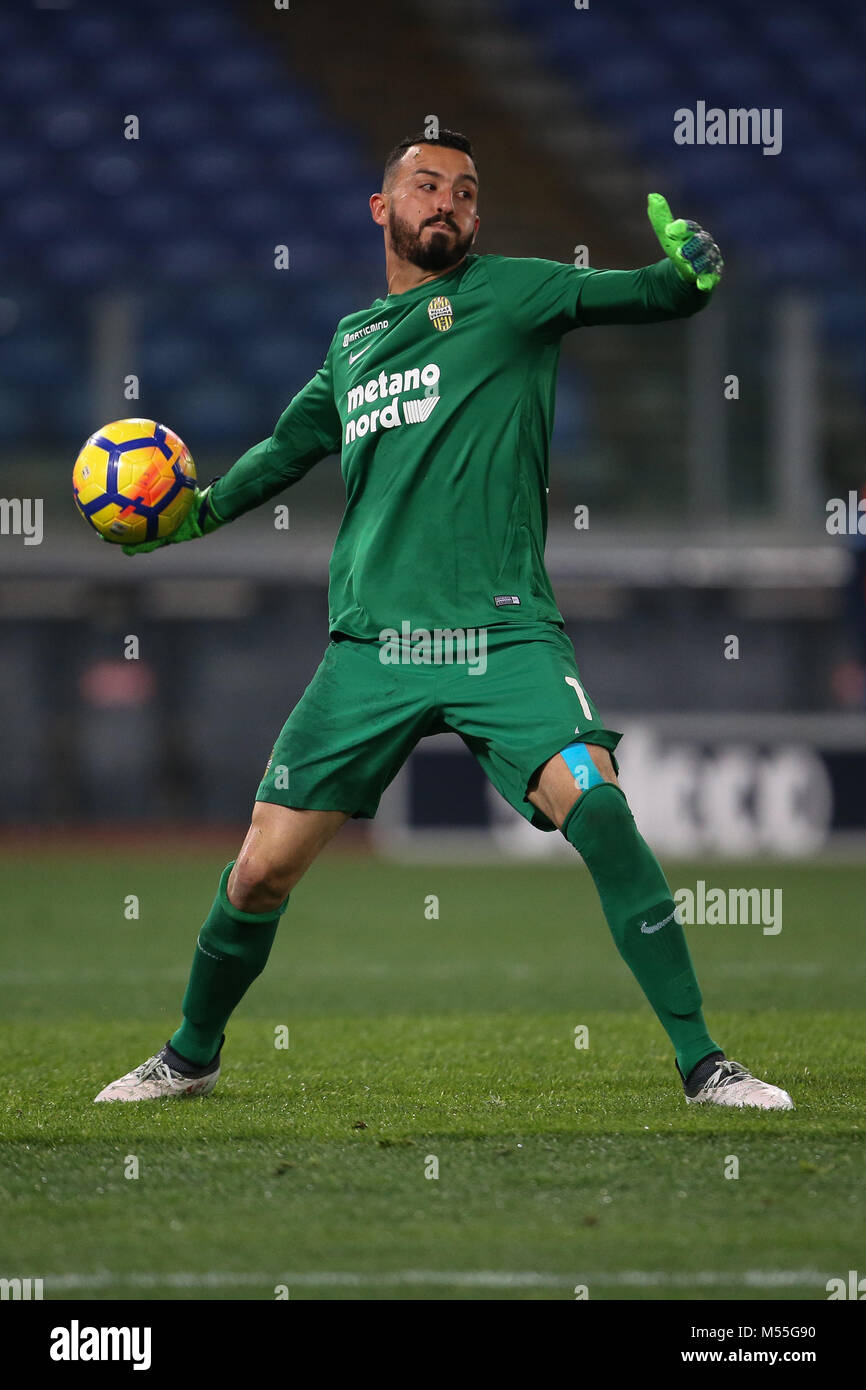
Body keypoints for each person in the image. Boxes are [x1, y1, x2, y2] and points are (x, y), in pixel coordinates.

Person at [95, 129, 792, 1110]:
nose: (449, 202)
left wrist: (692, 272)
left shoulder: (515, 293)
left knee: (596, 803)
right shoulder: (351, 344)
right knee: (257, 874)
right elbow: (282, 450)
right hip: (372, 648)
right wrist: (193, 515)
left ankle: (702, 1062)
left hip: (499, 635)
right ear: (380, 209)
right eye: (426, 185)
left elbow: (645, 295)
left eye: (465, 192)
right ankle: (189, 1054)